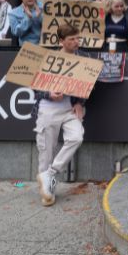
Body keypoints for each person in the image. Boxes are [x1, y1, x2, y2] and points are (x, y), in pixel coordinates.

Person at [33, 24, 87, 207]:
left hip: (69, 109)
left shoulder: (83, 58)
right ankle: (48, 191)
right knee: (46, 151)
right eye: (71, 39)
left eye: (77, 38)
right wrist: (48, 94)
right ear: (61, 41)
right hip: (48, 109)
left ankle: (51, 173)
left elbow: (87, 86)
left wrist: (80, 103)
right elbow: (35, 87)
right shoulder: (48, 59)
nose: (76, 42)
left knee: (76, 137)